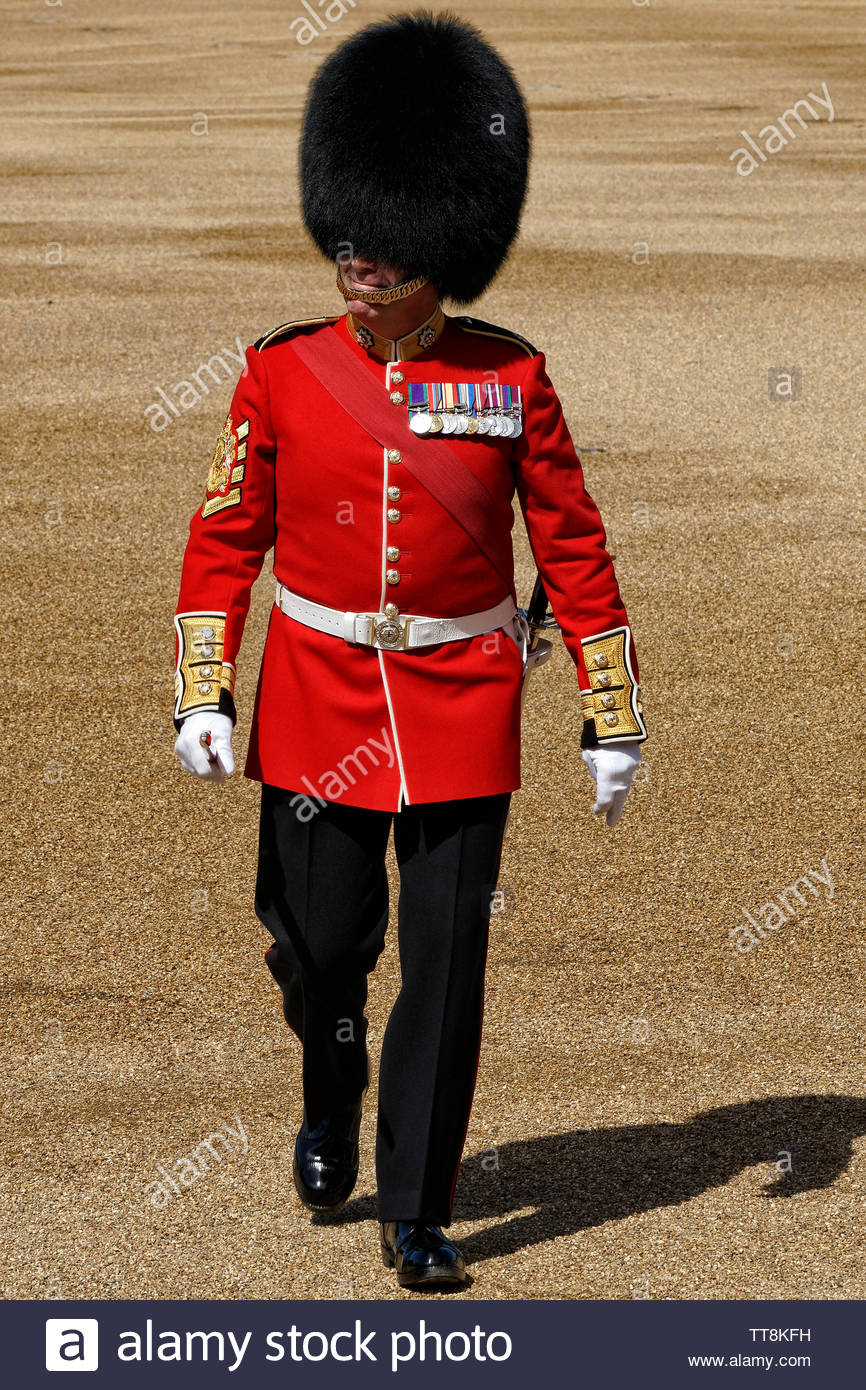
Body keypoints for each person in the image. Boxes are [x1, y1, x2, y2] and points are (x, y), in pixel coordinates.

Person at [172, 11, 647, 1290]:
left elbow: (573, 547)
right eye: (345, 235)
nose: (353, 258)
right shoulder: (280, 373)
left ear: (442, 241)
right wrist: (204, 687)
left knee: (446, 968)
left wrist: (611, 709)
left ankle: (416, 1208)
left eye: (381, 242)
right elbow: (225, 539)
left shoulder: (509, 379)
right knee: (322, 946)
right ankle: (329, 1093)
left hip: (460, 702)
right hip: (321, 700)